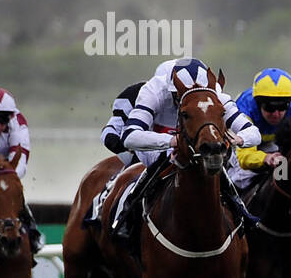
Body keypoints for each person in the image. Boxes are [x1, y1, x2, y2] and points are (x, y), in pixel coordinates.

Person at [112, 58, 261, 243]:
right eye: (180, 94)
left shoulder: (215, 94)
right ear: (172, 88)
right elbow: (130, 137)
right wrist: (172, 141)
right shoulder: (154, 90)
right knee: (159, 164)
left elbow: (254, 133)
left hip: (197, 137)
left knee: (219, 165)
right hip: (158, 136)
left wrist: (240, 138)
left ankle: (241, 212)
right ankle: (126, 216)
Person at [0, 87, 44, 258]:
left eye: (3, 120)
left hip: (4, 171)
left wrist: (1, 178)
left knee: (10, 192)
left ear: (10, 117)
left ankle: (31, 232)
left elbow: (20, 165)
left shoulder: (18, 123)